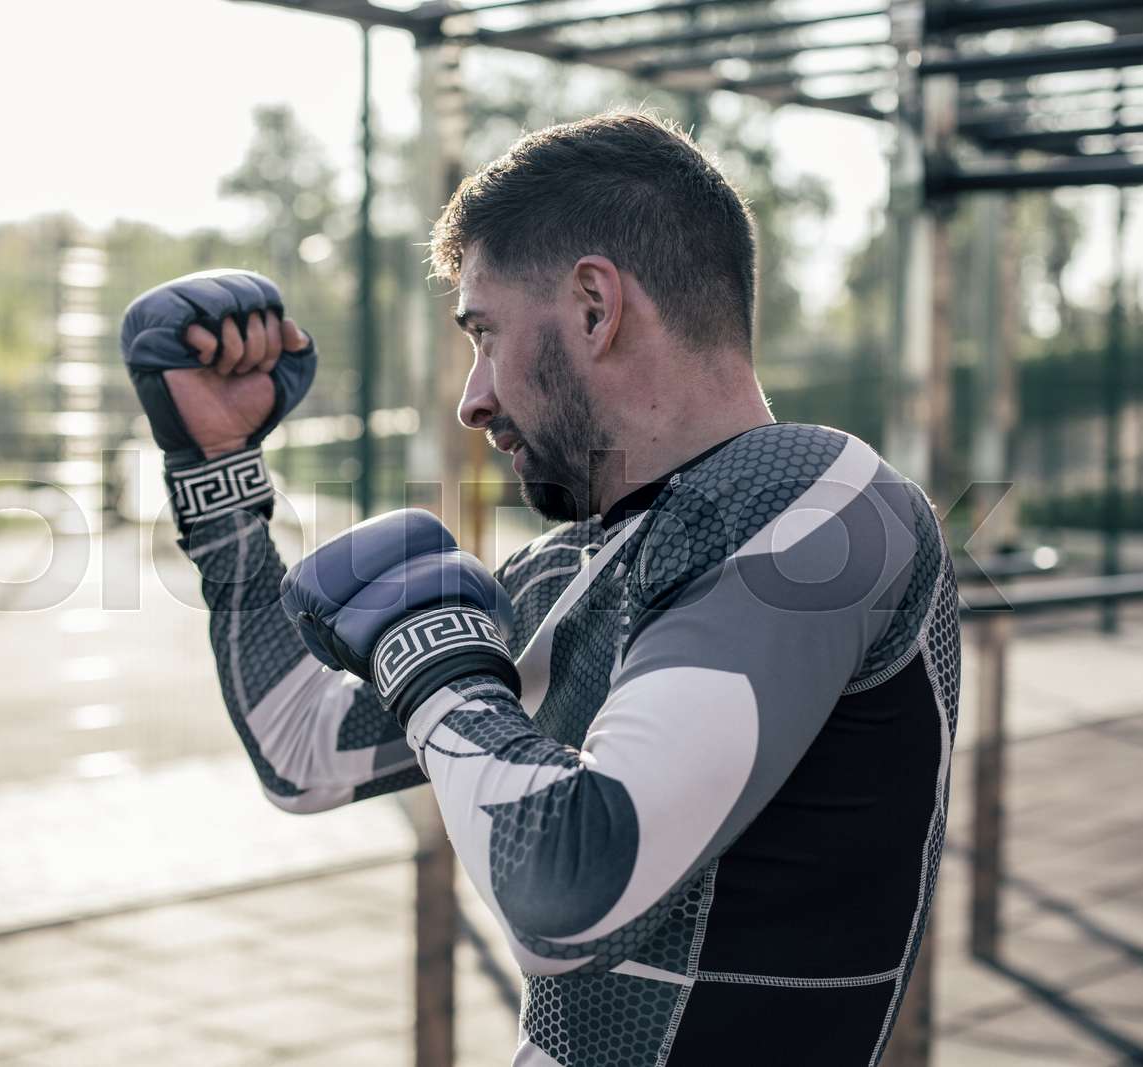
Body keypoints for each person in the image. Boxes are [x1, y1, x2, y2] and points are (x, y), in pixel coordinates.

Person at [121, 110, 960, 1067]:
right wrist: (214, 470)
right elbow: (303, 748)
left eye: (485, 335)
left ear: (595, 306)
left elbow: (576, 892)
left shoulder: (825, 504)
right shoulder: (591, 554)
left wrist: (434, 665)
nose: (473, 396)